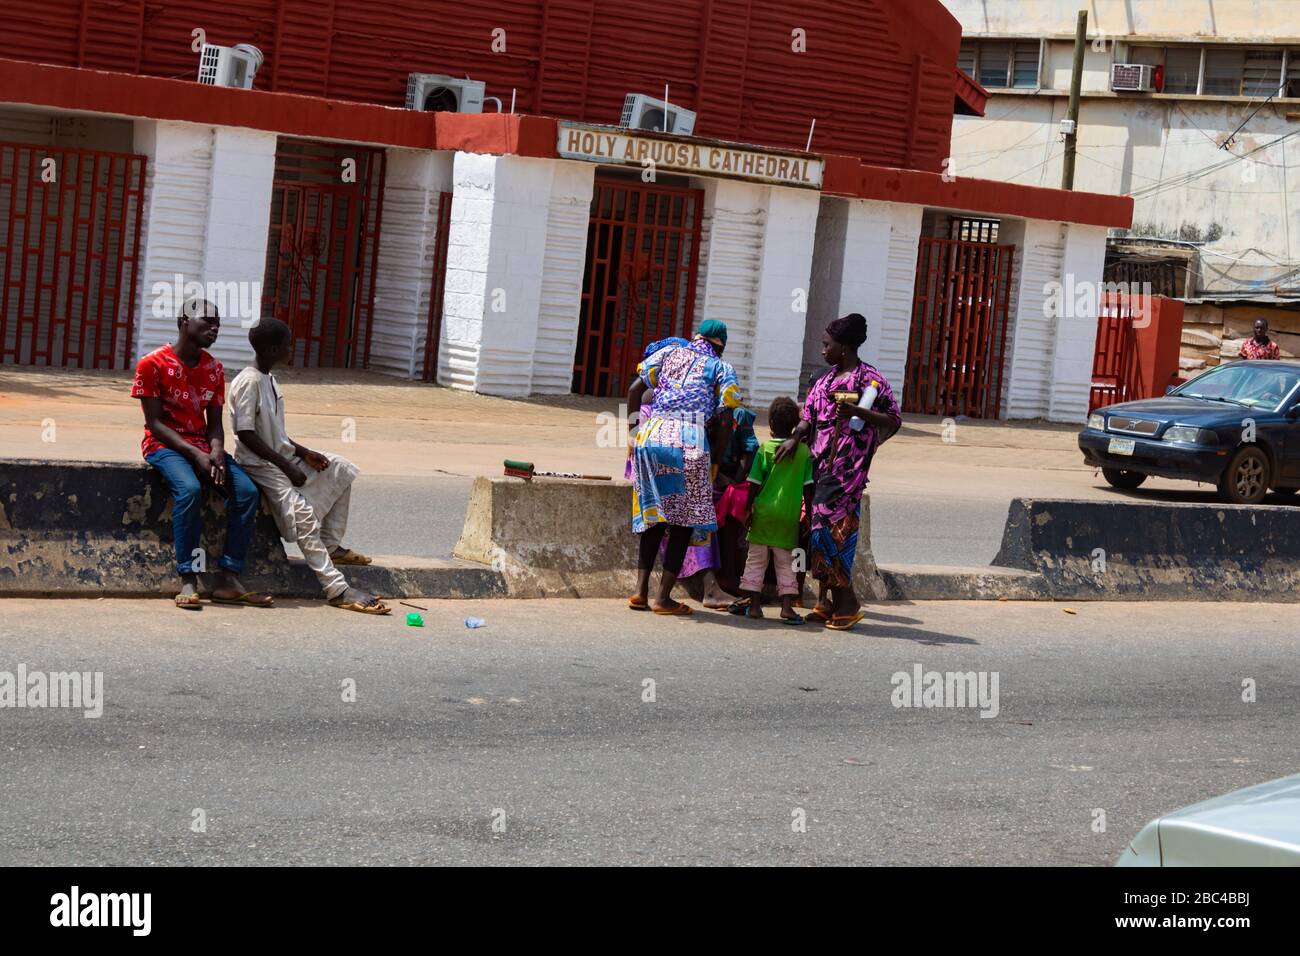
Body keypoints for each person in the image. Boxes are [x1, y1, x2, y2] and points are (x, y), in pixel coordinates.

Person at [228, 318, 389, 614]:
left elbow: (275, 432)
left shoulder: (270, 380)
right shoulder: (248, 381)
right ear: (273, 348)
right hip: (259, 465)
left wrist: (304, 453)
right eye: (288, 345)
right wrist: (287, 467)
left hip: (281, 457)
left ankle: (329, 545)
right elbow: (246, 433)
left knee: (341, 468)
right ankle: (336, 589)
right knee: (301, 515)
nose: (292, 350)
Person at [130, 298, 273, 609]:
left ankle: (229, 578)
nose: (214, 328)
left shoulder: (213, 369)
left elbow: (215, 426)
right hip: (165, 446)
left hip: (202, 446)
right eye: (207, 321)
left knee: (247, 492)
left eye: (218, 323)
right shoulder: (151, 364)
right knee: (190, 490)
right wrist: (195, 454)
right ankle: (188, 577)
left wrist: (217, 451)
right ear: (184, 322)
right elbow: (154, 424)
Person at [775, 313, 900, 631]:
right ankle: (829, 602)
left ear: (844, 347)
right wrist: (794, 438)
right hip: (820, 466)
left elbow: (893, 420)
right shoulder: (824, 380)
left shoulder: (870, 379)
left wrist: (859, 412)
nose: (822, 350)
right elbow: (808, 417)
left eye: (827, 345)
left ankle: (848, 602)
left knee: (828, 534)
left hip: (848, 472)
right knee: (824, 534)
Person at [627, 319, 742, 615]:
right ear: (721, 345)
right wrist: (716, 461)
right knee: (681, 523)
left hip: (650, 434)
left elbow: (636, 388)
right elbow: (728, 418)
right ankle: (663, 598)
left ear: (697, 337)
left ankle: (639, 592)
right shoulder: (721, 368)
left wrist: (631, 433)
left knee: (654, 516)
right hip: (688, 439)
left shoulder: (669, 353)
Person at [735, 396, 813, 624]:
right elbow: (808, 488)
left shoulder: (764, 450)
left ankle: (756, 606)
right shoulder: (804, 453)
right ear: (793, 425)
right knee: (786, 561)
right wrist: (808, 513)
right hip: (789, 515)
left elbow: (754, 484)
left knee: (756, 560)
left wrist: (748, 509)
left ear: (770, 425)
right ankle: (787, 608)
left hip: (763, 513)